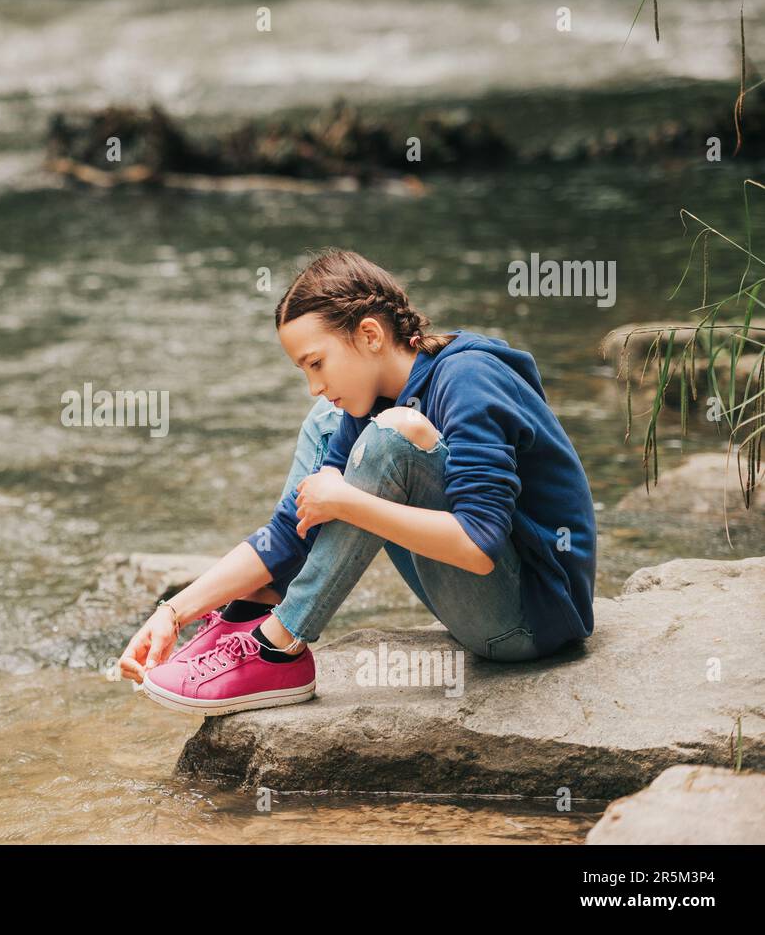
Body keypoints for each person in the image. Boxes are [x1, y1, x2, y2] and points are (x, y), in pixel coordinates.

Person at [119, 249, 596, 716]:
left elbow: (478, 545)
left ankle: (278, 645)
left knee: (392, 436)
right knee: (326, 419)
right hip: (473, 604)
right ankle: (253, 609)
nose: (314, 383)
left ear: (370, 334)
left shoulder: (468, 378)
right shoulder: (372, 400)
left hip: (527, 624)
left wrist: (347, 502)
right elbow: (292, 530)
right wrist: (172, 613)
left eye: (316, 363)